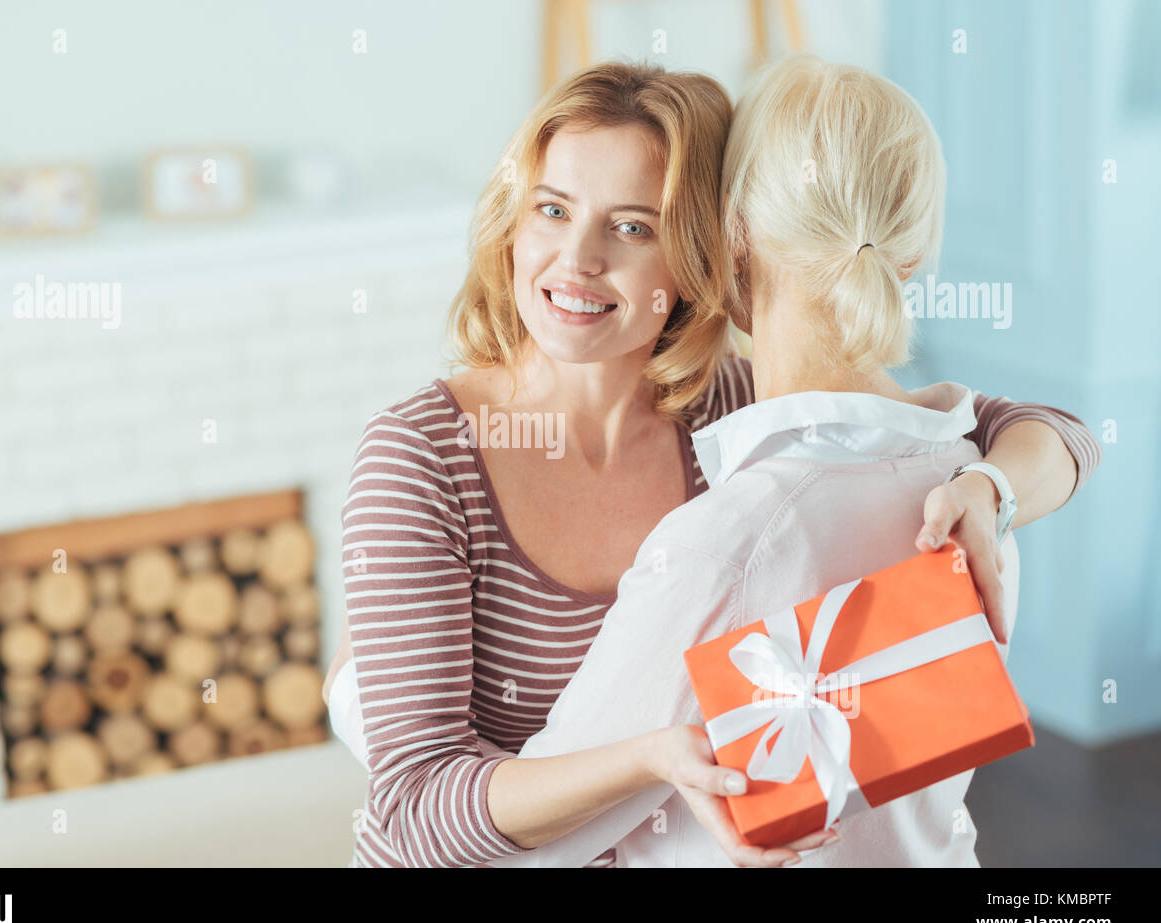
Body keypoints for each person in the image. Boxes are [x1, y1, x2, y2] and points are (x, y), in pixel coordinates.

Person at [326, 59, 1101, 868]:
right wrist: (653, 758)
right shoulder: (420, 457)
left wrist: (992, 485)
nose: (577, 258)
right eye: (551, 209)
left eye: (633, 226)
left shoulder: (735, 415)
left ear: (706, 248)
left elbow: (1048, 429)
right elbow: (413, 816)